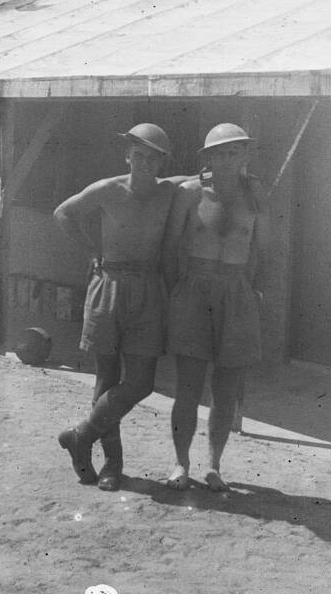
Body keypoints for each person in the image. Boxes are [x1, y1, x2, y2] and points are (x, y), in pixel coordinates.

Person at [53, 123, 182, 492]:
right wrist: (92, 251)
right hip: (109, 285)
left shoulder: (169, 191)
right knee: (106, 379)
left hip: (149, 288)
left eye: (154, 158)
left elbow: (201, 179)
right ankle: (113, 463)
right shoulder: (108, 189)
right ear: (128, 156)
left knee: (140, 383)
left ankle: (81, 436)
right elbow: (63, 213)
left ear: (162, 162)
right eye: (139, 155)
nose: (145, 163)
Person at [162, 123, 269, 492]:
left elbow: (263, 249)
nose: (227, 159)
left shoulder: (255, 197)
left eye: (234, 152)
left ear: (245, 155)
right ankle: (181, 463)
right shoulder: (190, 193)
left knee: (226, 388)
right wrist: (178, 292)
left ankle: (214, 465)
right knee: (188, 387)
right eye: (220, 153)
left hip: (236, 292)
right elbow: (170, 247)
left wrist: (251, 291)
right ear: (207, 158)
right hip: (195, 290)